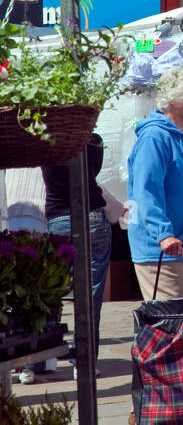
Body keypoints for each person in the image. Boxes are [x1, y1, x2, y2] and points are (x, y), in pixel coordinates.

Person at [126, 66, 183, 301]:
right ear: (175, 100)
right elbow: (146, 191)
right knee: (173, 325)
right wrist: (162, 234)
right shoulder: (155, 137)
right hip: (162, 248)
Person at [42, 132, 114, 372]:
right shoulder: (92, 139)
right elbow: (95, 171)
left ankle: (41, 357)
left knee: (50, 291)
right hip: (91, 213)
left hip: (58, 217)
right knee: (91, 296)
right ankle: (84, 362)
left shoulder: (44, 140)